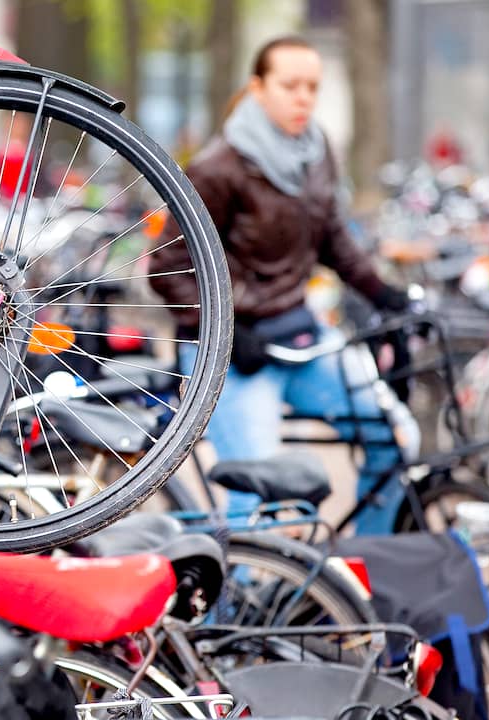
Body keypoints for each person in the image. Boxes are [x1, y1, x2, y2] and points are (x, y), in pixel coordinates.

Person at [149, 36, 411, 534]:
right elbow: (166, 266)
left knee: (397, 436)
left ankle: (365, 562)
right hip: (233, 356)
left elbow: (331, 234)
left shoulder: (316, 150)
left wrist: (383, 294)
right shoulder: (218, 167)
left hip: (297, 337)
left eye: (312, 87)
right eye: (290, 86)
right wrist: (226, 331)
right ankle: (238, 584)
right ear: (258, 88)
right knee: (258, 502)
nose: (304, 98)